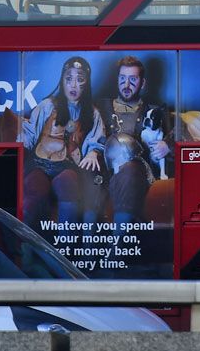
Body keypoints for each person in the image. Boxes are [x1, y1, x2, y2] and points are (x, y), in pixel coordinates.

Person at [21, 56, 105, 231]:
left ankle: (66, 245)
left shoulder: (92, 113)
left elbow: (97, 140)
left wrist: (93, 152)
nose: (73, 85)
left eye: (80, 79)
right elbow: (28, 134)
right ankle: (24, 250)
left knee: (69, 184)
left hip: (67, 165)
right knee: (34, 188)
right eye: (69, 79)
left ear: (86, 83)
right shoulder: (46, 106)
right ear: (62, 81)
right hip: (39, 163)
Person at [98, 56, 173, 227]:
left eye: (133, 79)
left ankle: (119, 245)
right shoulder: (101, 107)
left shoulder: (154, 111)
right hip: (104, 171)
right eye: (122, 78)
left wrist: (167, 145)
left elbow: (182, 132)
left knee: (130, 169)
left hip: (137, 172)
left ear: (142, 83)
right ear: (117, 79)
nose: (126, 84)